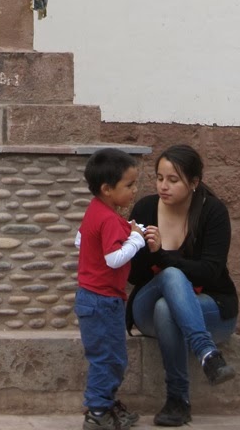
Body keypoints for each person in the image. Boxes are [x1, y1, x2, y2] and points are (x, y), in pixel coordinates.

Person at [127, 144, 239, 427]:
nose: (164, 186)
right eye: (159, 178)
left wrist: (163, 256)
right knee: (170, 278)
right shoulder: (145, 209)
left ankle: (178, 400)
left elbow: (211, 274)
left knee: (168, 306)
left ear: (194, 182)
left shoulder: (212, 212)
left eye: (173, 180)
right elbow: (133, 277)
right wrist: (142, 249)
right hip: (146, 309)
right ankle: (207, 353)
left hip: (211, 308)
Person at [75, 148, 147, 430]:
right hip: (104, 301)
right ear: (107, 188)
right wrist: (136, 241)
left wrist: (127, 232)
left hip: (89, 298)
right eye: (129, 185)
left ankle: (104, 404)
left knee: (107, 357)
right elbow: (113, 258)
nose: (134, 190)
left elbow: (80, 242)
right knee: (110, 359)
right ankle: (97, 412)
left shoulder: (95, 210)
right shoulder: (108, 219)